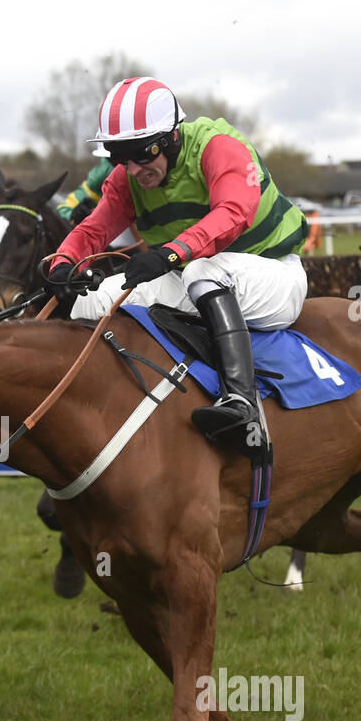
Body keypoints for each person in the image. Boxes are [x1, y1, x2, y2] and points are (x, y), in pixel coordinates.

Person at [47, 77, 309, 446]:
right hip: (194, 279)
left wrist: (171, 253)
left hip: (273, 276)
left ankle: (241, 402)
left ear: (170, 138)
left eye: (142, 153)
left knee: (204, 269)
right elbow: (94, 230)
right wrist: (64, 262)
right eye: (120, 157)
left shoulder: (218, 148)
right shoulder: (128, 178)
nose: (133, 169)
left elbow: (233, 212)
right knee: (96, 297)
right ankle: (85, 429)